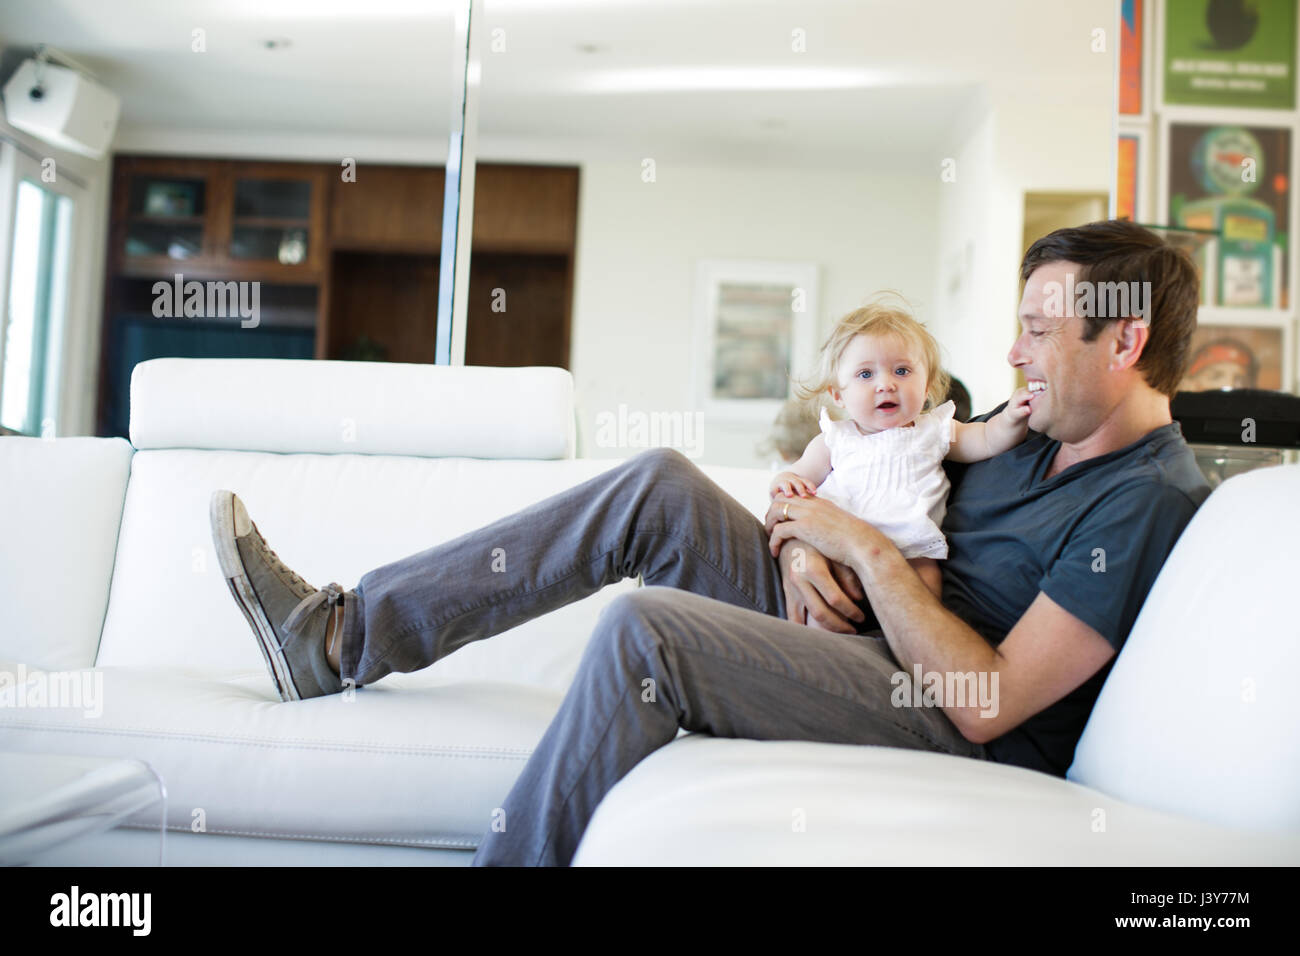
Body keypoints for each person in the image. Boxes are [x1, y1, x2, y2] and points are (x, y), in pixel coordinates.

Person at [209, 219, 1211, 866]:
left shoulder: (1143, 496)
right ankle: (336, 636)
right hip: (862, 631)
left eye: (1038, 327)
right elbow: (859, 480)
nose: (1011, 350)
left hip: (939, 708)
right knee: (659, 484)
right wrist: (797, 551)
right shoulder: (1026, 424)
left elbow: (989, 702)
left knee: (649, 632)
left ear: (1121, 343)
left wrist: (852, 545)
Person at [770, 299, 1031, 604]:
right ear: (838, 394)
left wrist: (1011, 418)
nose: (886, 384)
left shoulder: (933, 430)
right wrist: (786, 482)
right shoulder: (834, 440)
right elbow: (797, 476)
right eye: (866, 374)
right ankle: (819, 640)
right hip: (839, 550)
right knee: (822, 598)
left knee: (929, 590)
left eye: (902, 370)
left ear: (928, 386)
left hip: (911, 551)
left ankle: (906, 648)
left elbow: (986, 438)